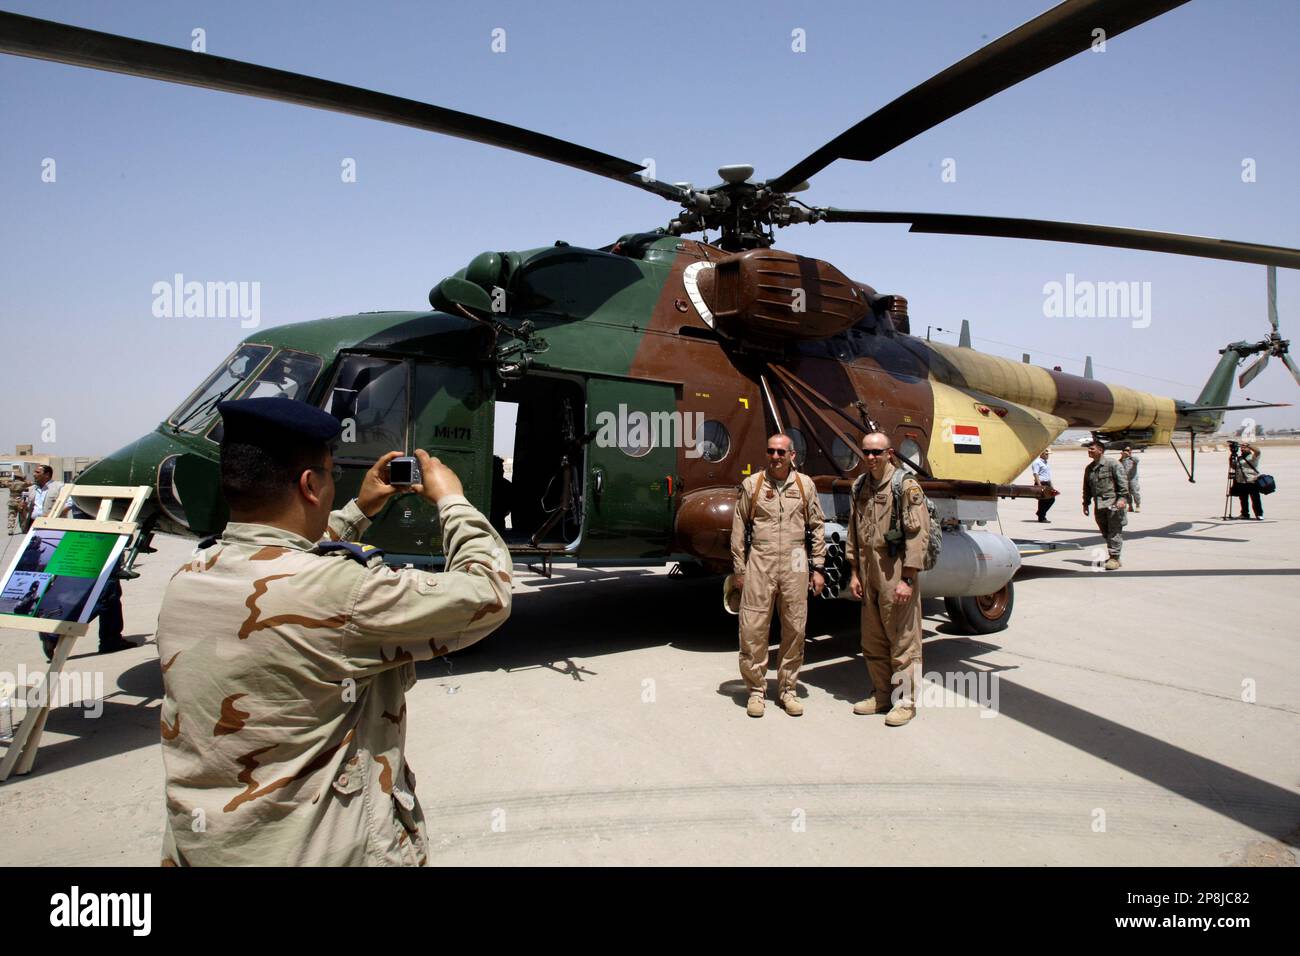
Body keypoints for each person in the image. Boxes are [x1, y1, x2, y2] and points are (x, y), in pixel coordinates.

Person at [156, 397, 512, 866]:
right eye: (329, 473)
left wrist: (358, 509)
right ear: (309, 485)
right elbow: (489, 590)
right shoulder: (345, 594)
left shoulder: (190, 577)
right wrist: (452, 500)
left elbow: (283, 561)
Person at [729, 433, 827, 718]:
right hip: (760, 558)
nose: (775, 456)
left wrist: (818, 567)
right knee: (753, 628)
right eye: (771, 451)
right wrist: (740, 569)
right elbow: (738, 530)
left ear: (792, 455)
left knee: (795, 627)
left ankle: (788, 690)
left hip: (796, 558)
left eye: (781, 452)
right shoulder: (753, 485)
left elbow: (817, 526)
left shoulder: (805, 484)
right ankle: (756, 691)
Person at [845, 431, 932, 726]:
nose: (870, 457)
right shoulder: (859, 486)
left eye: (876, 452)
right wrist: (854, 572)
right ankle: (882, 694)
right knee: (873, 638)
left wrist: (908, 578)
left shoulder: (905, 486)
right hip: (869, 571)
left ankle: (905, 701)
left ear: (889, 453)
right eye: (866, 452)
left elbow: (918, 535)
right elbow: (854, 533)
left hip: (895, 569)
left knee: (903, 639)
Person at [1082, 439, 1130, 570]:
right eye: (1089, 449)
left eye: (1092, 449)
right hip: (1099, 505)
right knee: (1105, 532)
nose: (1089, 451)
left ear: (1100, 450)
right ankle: (1113, 555)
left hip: (1113, 504)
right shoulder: (1090, 468)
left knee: (1114, 532)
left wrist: (1122, 499)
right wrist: (1085, 503)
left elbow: (1123, 483)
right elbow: (1086, 487)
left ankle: (1114, 558)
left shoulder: (1113, 464)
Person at [1231, 441, 1263, 520]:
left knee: (1255, 499)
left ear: (1249, 449)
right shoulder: (1239, 458)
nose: (1242, 448)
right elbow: (1233, 467)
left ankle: (1259, 514)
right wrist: (1232, 457)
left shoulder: (1253, 457)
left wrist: (1248, 445)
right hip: (1241, 482)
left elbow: (1258, 451)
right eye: (1241, 447)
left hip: (1252, 481)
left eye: (1244, 447)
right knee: (1243, 499)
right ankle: (1244, 514)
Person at [1030, 448, 1056, 522]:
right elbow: (1036, 474)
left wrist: (1051, 486)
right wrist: (1039, 485)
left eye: (1048, 454)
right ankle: (1041, 517)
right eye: (1046, 454)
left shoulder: (1045, 463)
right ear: (1041, 453)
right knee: (1044, 500)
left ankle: (1040, 513)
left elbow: (1047, 475)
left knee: (1051, 499)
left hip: (1047, 483)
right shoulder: (1037, 462)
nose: (1048, 456)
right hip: (1041, 483)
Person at [1119, 444, 1141, 512]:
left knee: (1135, 492)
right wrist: (1122, 457)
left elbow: (1137, 461)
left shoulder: (1133, 458)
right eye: (1124, 450)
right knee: (1127, 493)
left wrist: (1129, 456)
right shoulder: (1122, 459)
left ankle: (1138, 505)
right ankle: (1130, 506)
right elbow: (1118, 465)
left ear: (1131, 451)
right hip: (1125, 479)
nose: (1126, 451)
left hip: (1133, 478)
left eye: (1128, 450)